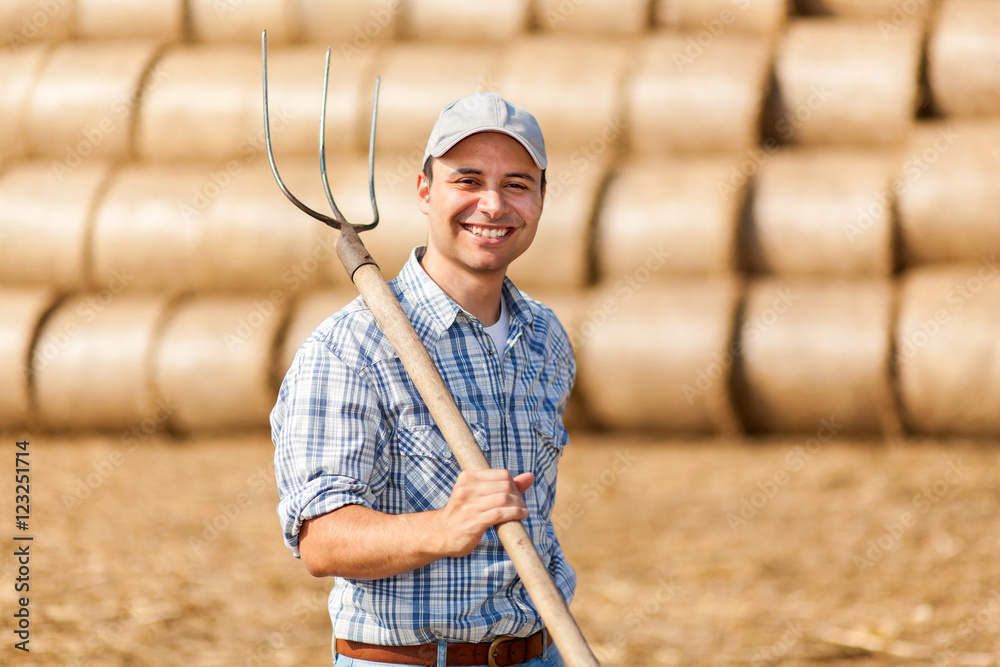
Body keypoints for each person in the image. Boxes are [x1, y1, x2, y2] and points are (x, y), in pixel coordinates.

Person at [271, 91, 575, 667]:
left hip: (542, 652)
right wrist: (445, 528)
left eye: (516, 183)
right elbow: (321, 541)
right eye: (467, 180)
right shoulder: (349, 349)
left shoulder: (545, 337)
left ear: (540, 197)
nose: (492, 204)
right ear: (424, 191)